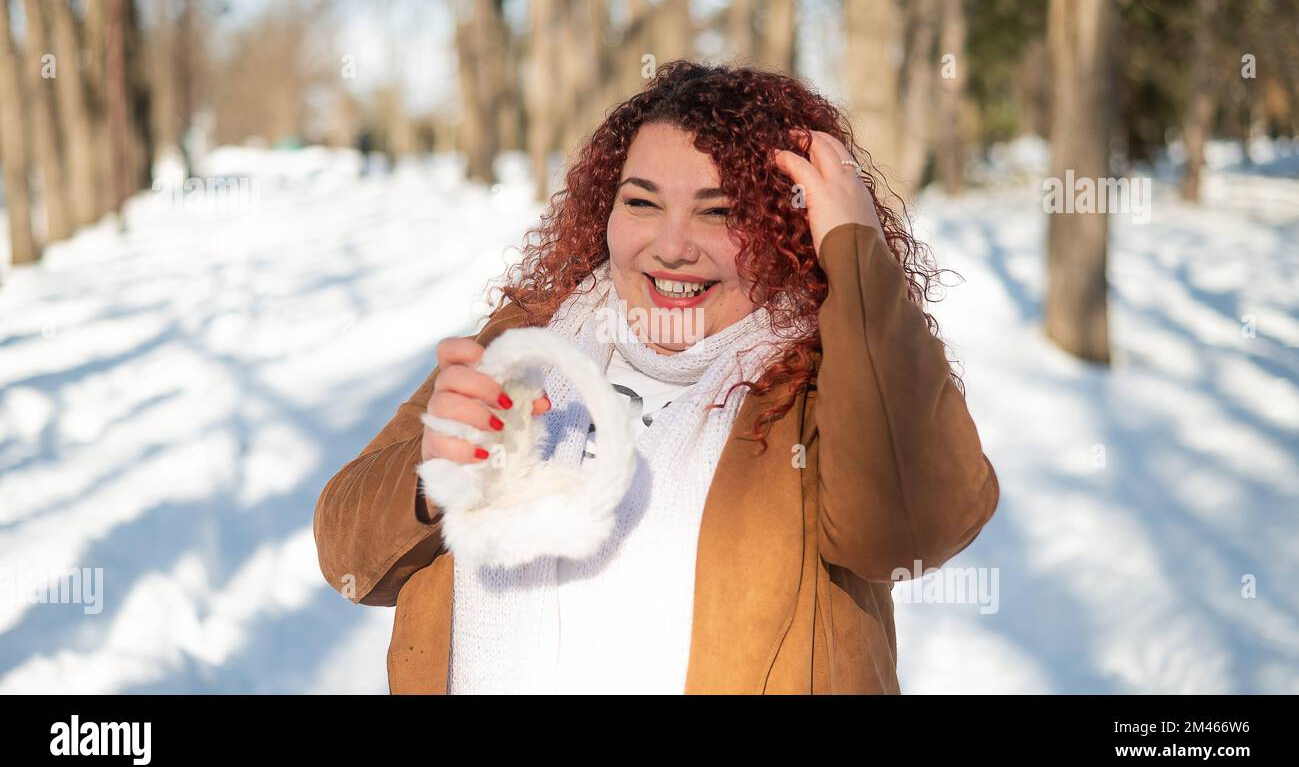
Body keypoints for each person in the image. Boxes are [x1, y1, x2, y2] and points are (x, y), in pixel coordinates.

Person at [313, 60, 1000, 694]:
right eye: (641, 202)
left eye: (720, 211)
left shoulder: (830, 374)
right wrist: (436, 476)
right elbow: (345, 549)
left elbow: (905, 528)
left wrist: (855, 257)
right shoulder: (530, 341)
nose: (672, 246)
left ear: (788, 228)